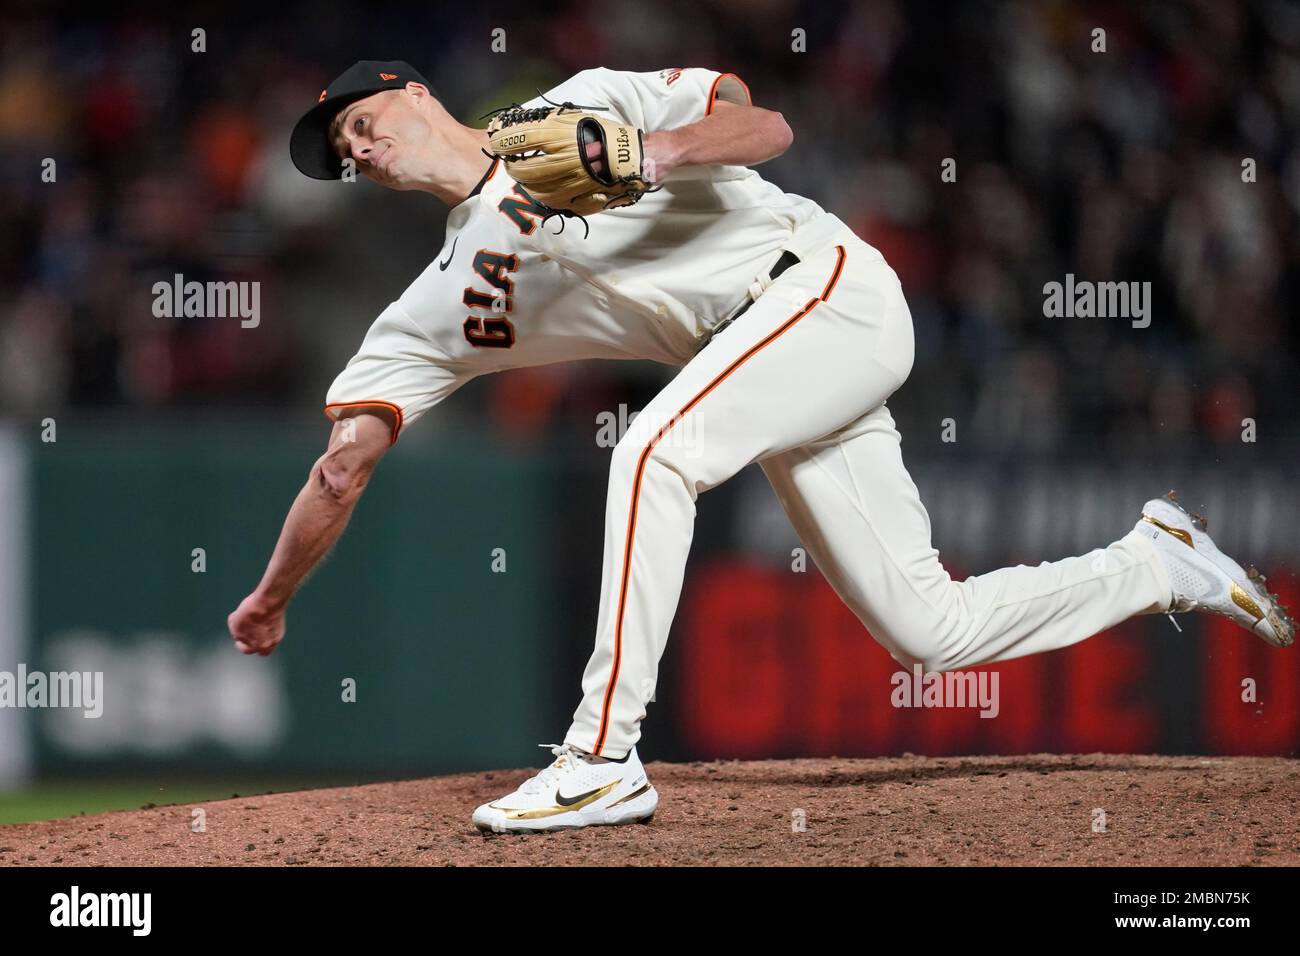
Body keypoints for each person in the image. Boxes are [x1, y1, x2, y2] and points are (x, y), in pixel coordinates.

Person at [227, 60, 1294, 835]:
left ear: (415, 92)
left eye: (360, 121)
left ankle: (602, 756)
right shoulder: (432, 310)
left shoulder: (579, 106)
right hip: (771, 369)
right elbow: (343, 465)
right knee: (929, 629)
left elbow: (764, 123)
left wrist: (659, 151)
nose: (357, 150)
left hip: (822, 287)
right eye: (342, 154)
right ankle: (1158, 557)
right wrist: (273, 594)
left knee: (648, 454)